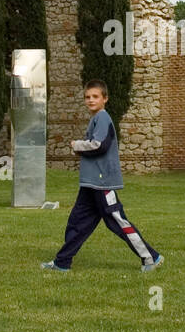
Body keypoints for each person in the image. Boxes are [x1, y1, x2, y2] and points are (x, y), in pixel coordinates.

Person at [41, 80, 163, 272]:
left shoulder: (103, 118)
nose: (91, 100)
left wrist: (77, 145)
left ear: (105, 99)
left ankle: (151, 257)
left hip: (102, 183)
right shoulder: (96, 119)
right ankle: (62, 262)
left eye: (95, 96)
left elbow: (99, 145)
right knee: (77, 223)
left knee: (118, 222)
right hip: (90, 184)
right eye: (87, 97)